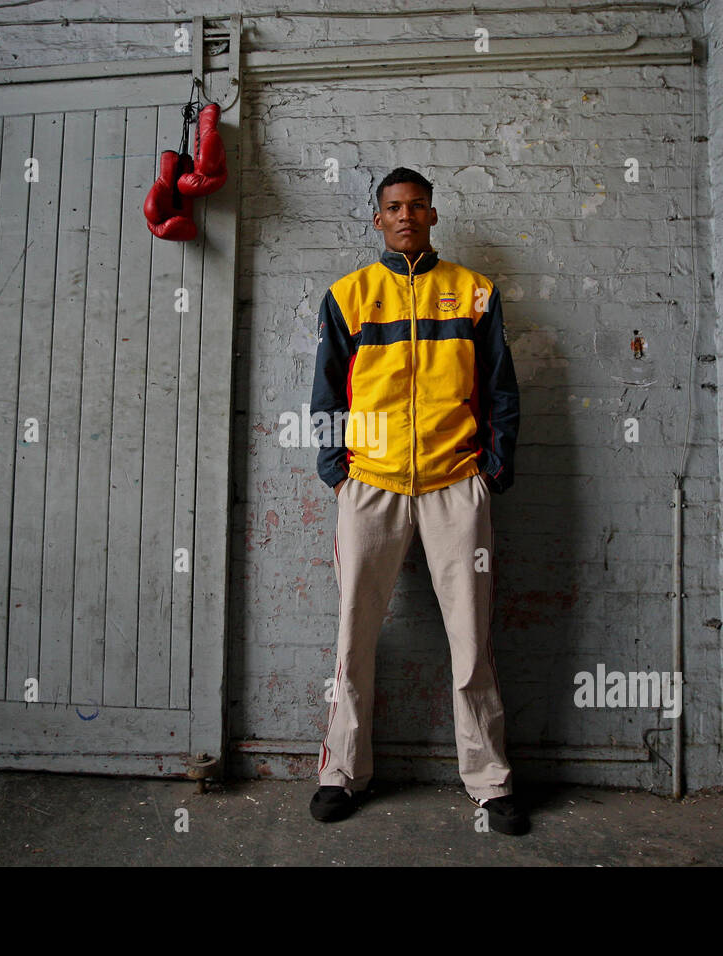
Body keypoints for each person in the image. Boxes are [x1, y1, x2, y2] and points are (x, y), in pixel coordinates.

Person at [308, 167, 527, 835]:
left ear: (434, 216)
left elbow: (501, 391)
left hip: (455, 484)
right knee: (354, 636)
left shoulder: (473, 293)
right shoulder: (349, 296)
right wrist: (337, 473)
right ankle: (342, 773)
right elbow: (326, 398)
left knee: (472, 640)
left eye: (418, 206)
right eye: (395, 207)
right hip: (370, 485)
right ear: (378, 219)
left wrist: (490, 472)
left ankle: (490, 784)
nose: (407, 216)